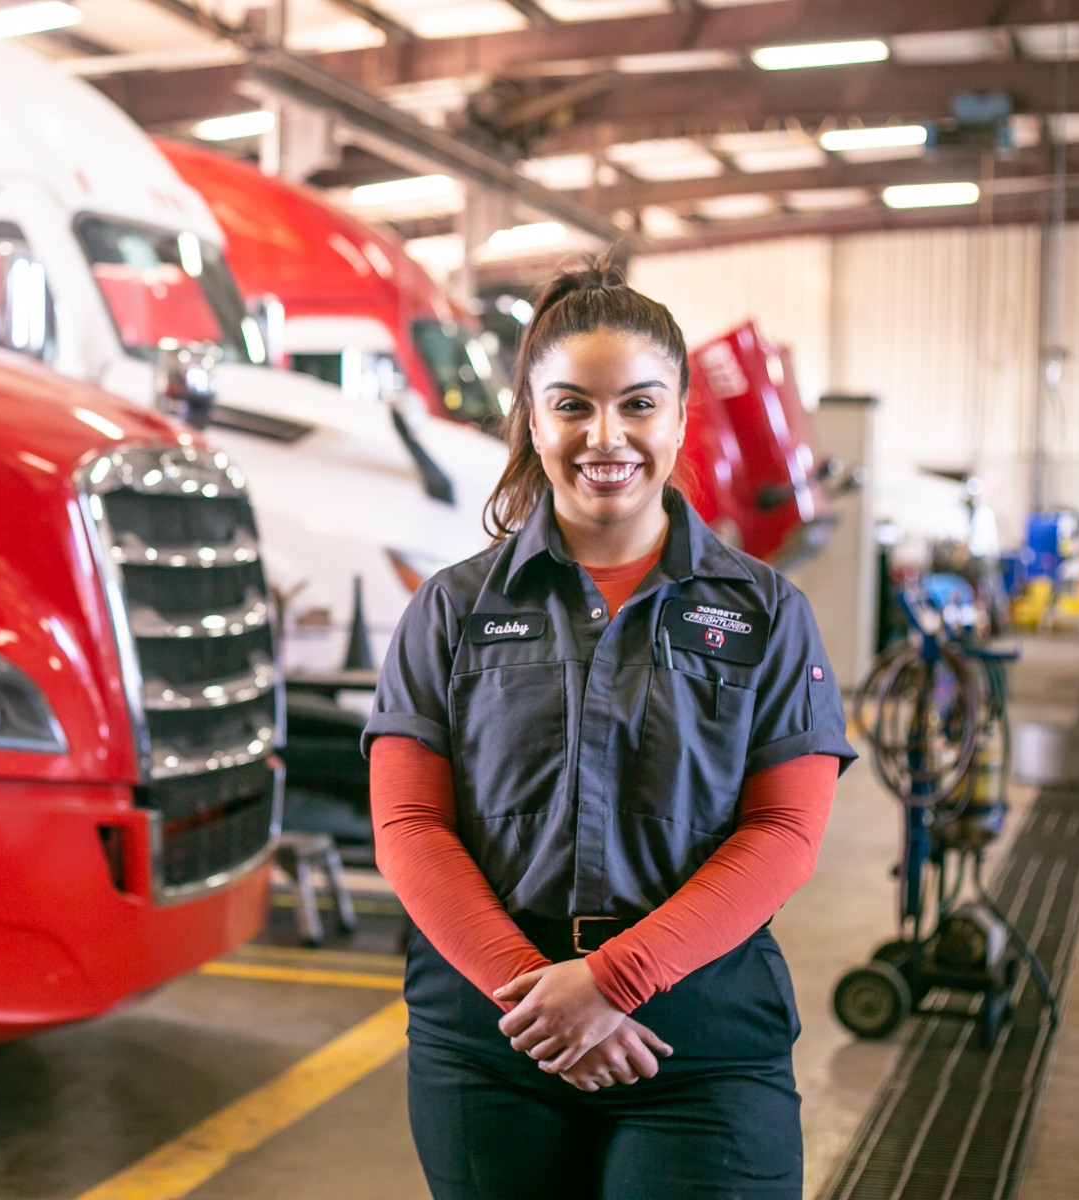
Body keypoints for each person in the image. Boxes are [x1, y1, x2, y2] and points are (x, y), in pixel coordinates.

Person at [364, 255, 856, 1199]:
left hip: (700, 1041)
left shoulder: (764, 613)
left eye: (638, 404)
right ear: (534, 419)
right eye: (573, 406)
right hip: (494, 1043)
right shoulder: (450, 610)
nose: (607, 436)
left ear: (679, 418)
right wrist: (539, 997)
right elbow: (410, 828)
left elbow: (785, 833)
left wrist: (612, 982)